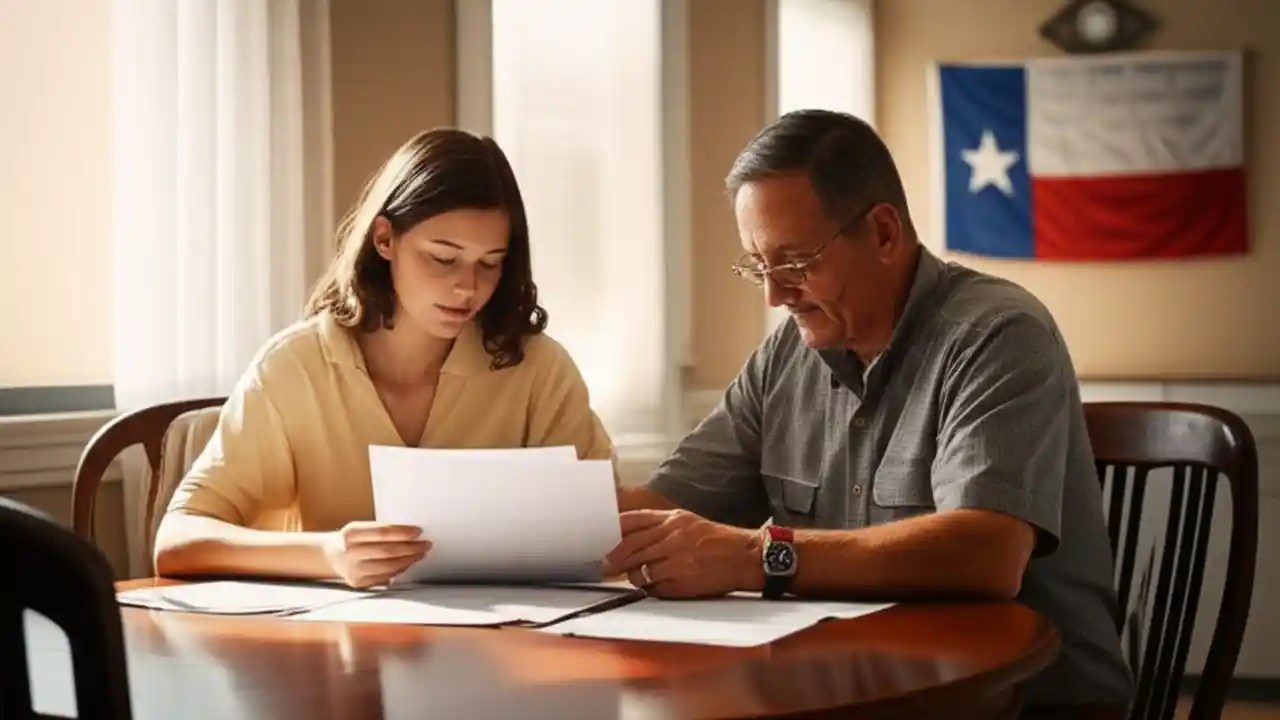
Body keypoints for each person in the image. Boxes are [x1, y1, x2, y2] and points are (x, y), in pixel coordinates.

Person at [605, 110, 1134, 714]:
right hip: (844, 686)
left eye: (796, 263)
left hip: (1015, 702)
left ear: (884, 233)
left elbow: (986, 553)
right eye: (759, 266)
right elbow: (668, 505)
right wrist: (514, 524)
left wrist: (758, 556)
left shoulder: (998, 333)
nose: (776, 295)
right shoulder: (786, 352)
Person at [154, 128, 614, 589]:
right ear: (384, 239)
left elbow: (604, 537)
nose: (467, 287)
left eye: (490, 263)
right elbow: (177, 540)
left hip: (517, 647)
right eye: (443, 257)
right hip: (340, 649)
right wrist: (328, 554)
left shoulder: (539, 369)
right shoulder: (295, 367)